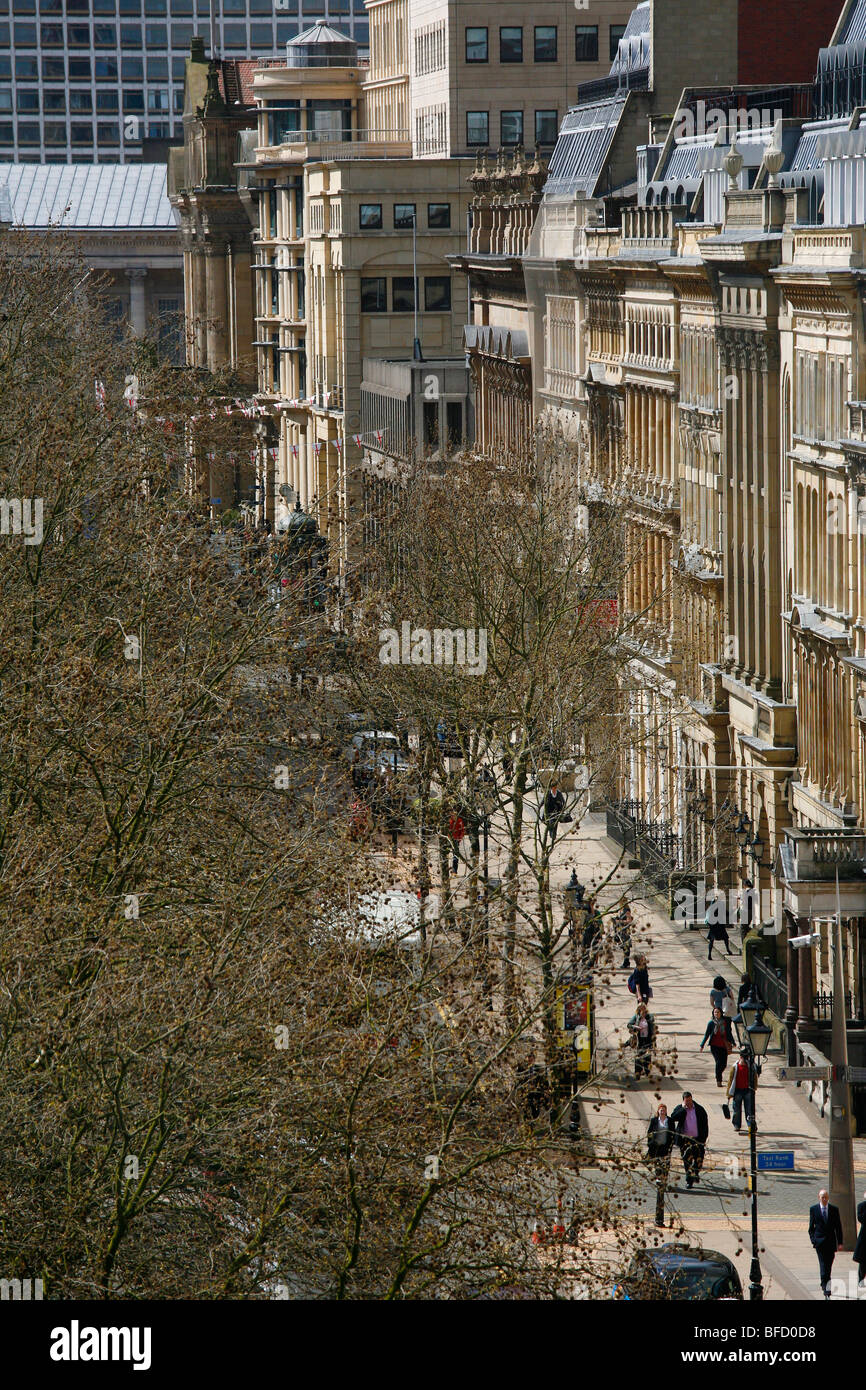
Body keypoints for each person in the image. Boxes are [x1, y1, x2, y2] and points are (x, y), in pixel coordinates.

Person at [809, 1188, 844, 1298]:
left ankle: (824, 1281)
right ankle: (826, 1289)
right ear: (819, 1198)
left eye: (826, 1197)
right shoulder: (814, 1209)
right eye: (822, 1197)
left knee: (828, 1265)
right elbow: (811, 1228)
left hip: (831, 1242)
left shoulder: (834, 1209)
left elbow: (838, 1227)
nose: (824, 1199)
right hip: (819, 1243)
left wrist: (840, 1242)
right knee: (823, 1265)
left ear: (828, 1198)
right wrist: (813, 1240)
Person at [670, 1091, 709, 1189]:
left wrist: (703, 1139)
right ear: (683, 1101)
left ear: (692, 1099)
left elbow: (705, 1125)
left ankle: (695, 1172)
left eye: (690, 1100)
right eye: (686, 1101)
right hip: (685, 1140)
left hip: (697, 1139)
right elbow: (673, 1118)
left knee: (698, 1160)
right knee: (687, 1161)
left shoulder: (699, 1109)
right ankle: (689, 1180)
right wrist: (683, 1109)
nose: (688, 1103)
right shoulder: (680, 1109)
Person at [647, 1103, 675, 1226]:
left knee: (665, 1169)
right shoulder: (654, 1121)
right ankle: (659, 1179)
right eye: (661, 1110)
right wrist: (651, 1144)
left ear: (666, 1111)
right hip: (657, 1151)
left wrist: (670, 1147)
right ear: (658, 1111)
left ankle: (663, 1179)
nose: (662, 1111)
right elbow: (649, 1134)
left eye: (664, 1110)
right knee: (658, 1170)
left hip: (666, 1150)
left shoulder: (670, 1121)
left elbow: (673, 1135)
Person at [700, 1006, 734, 1086]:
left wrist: (733, 1042)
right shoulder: (711, 1023)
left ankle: (718, 1073)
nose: (716, 1014)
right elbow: (707, 1035)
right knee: (718, 1062)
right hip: (714, 1046)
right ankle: (719, 1079)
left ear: (721, 1013)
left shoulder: (725, 1022)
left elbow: (729, 1033)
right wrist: (702, 1045)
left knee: (724, 1064)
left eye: (718, 1012)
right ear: (713, 1013)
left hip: (723, 1046)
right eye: (715, 1012)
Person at [726, 1048, 755, 1131]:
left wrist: (754, 1088)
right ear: (740, 1057)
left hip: (747, 1090)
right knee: (736, 1110)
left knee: (749, 1109)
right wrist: (729, 1094)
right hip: (738, 1090)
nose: (745, 1060)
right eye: (744, 1057)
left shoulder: (750, 1066)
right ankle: (736, 1124)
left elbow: (754, 1077)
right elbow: (730, 1081)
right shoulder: (735, 1067)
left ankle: (750, 1125)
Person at [628, 1001, 656, 1079]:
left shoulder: (650, 1016)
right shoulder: (636, 1016)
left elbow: (652, 1026)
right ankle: (638, 1073)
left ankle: (647, 1072)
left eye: (643, 1008)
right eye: (640, 1009)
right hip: (639, 1039)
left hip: (647, 1039)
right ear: (638, 1010)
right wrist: (635, 1026)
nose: (642, 1010)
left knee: (647, 1056)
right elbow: (629, 1025)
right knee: (638, 1056)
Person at [614, 904, 634, 969]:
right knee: (624, 947)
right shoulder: (622, 911)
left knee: (626, 947)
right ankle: (626, 962)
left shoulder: (626, 910)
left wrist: (619, 921)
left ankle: (626, 962)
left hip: (625, 932)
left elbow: (629, 921)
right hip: (622, 931)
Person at [854, 1191, 866, 1287]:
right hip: (864, 1236)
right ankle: (861, 1279)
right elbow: (861, 1218)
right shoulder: (861, 1206)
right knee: (863, 1260)